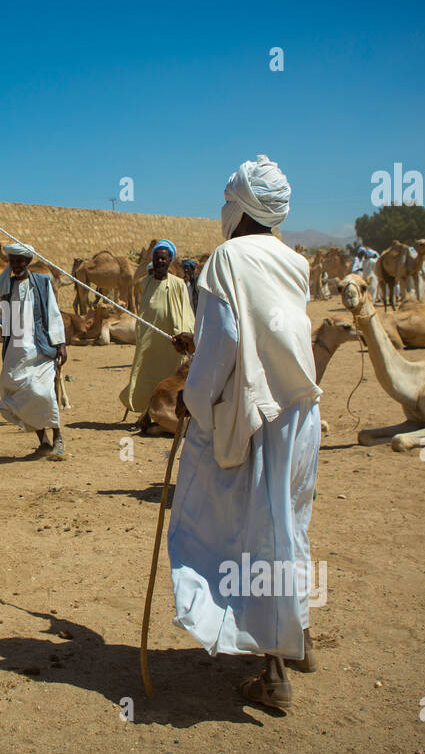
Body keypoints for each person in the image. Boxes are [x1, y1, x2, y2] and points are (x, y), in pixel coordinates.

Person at [166, 155, 322, 712]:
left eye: (226, 202)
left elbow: (223, 346)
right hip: (300, 416)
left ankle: (274, 671)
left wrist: (191, 400)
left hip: (254, 420)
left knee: (254, 536)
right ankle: (296, 638)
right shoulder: (293, 261)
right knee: (289, 525)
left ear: (237, 206)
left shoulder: (226, 258)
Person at [0, 242, 68, 459]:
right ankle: (43, 441)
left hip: (40, 347)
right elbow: (4, 318)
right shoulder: (8, 286)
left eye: (20, 261)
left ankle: (57, 437)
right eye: (13, 261)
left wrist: (60, 344)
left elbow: (53, 312)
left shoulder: (41, 283)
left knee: (44, 393)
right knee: (20, 392)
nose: (16, 264)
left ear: (28, 261)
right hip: (16, 350)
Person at [119, 240, 195, 419]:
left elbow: (185, 312)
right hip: (150, 342)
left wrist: (183, 334)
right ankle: (147, 412)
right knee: (146, 377)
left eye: (164, 258)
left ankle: (167, 412)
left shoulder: (178, 284)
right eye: (157, 258)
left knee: (171, 377)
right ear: (152, 260)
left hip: (170, 343)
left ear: (169, 261)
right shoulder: (144, 284)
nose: (160, 261)